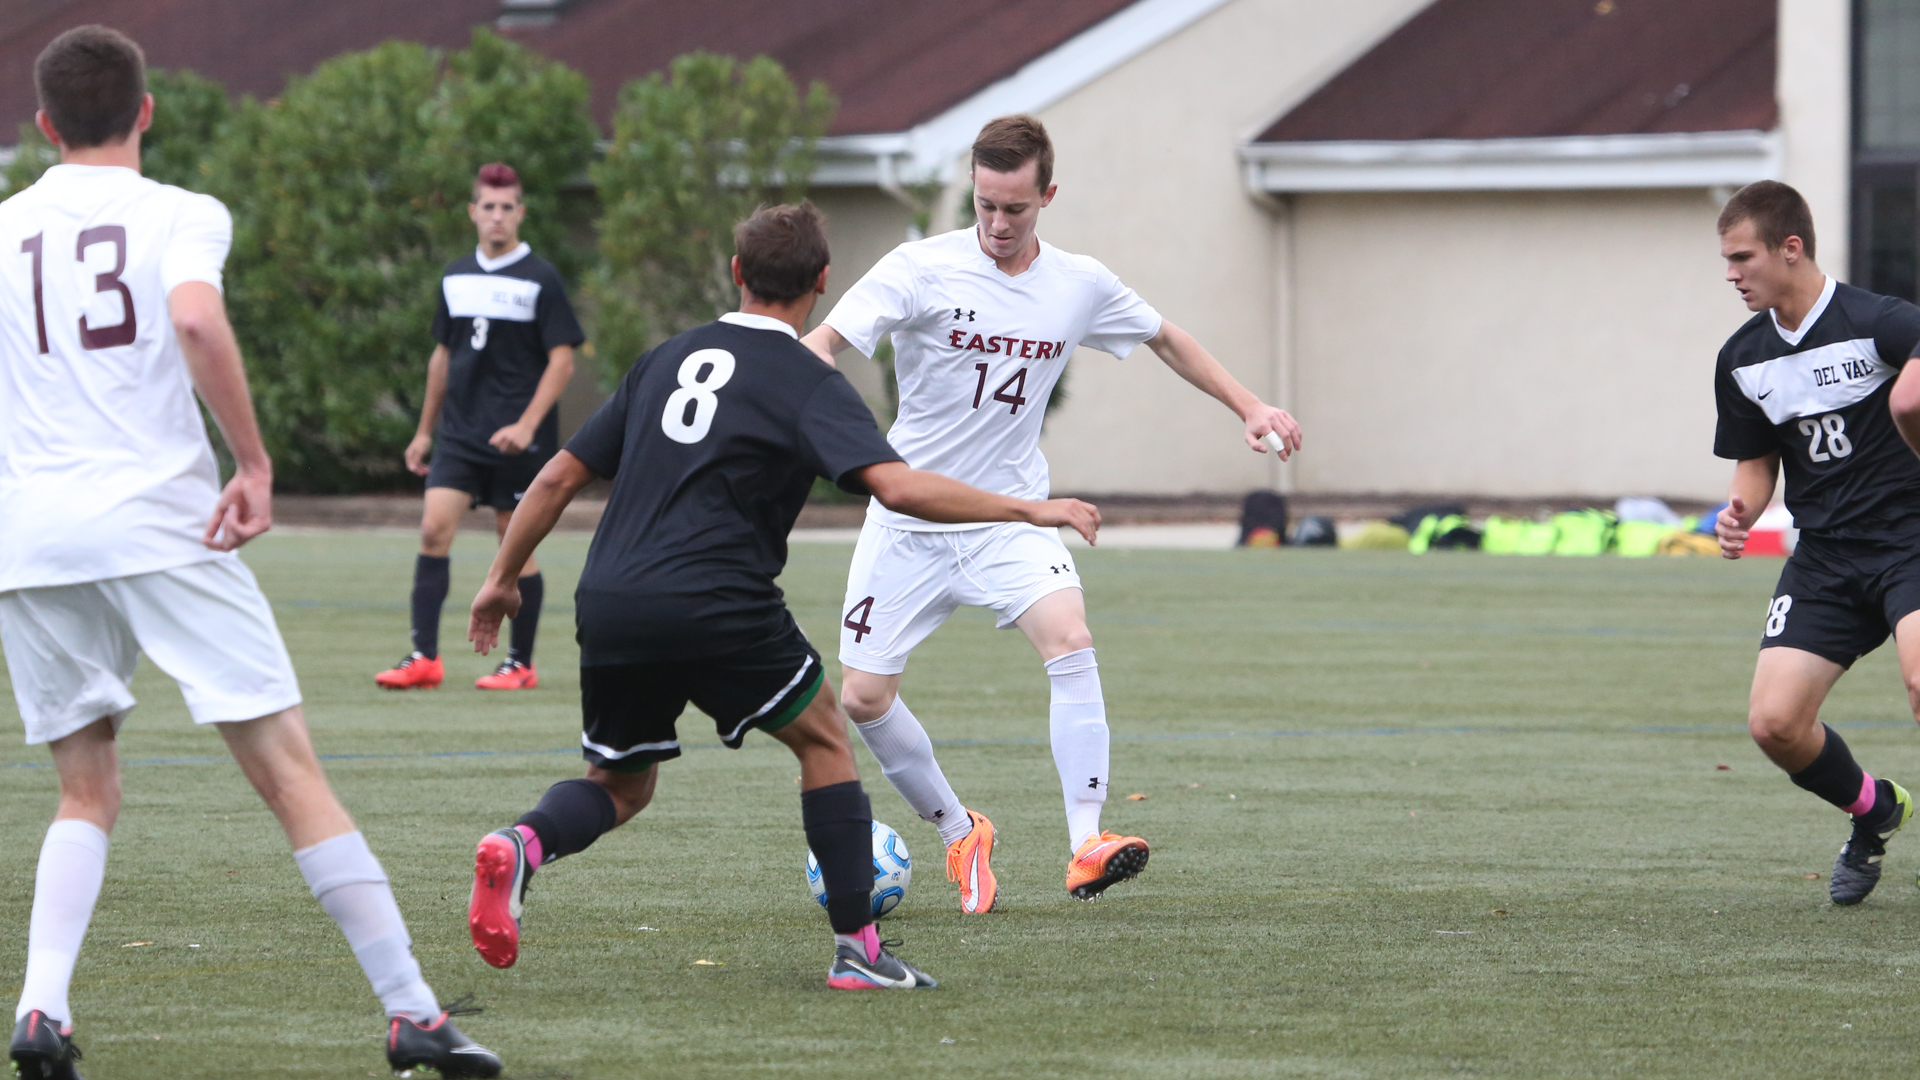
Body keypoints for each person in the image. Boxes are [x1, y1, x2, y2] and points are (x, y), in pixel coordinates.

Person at [0, 26, 499, 1078]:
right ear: (146, 112)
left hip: (34, 539)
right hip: (158, 520)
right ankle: (410, 1009)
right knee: (287, 770)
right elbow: (194, 322)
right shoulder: (180, 212)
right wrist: (256, 461)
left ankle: (41, 1011)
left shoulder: (4, 228)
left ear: (43, 126)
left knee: (84, 788)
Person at [463, 202, 1100, 989]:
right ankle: (859, 954)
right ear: (822, 283)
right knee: (827, 741)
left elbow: (558, 475)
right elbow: (897, 488)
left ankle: (522, 845)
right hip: (720, 603)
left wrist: (499, 580)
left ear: (737, 273)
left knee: (619, 785)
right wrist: (1030, 507)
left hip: (613, 597)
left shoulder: (665, 359)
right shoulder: (807, 378)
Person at [798, 114, 1302, 911]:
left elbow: (1167, 338)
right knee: (861, 697)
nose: (997, 225)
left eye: (1016, 209)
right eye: (985, 205)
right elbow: (824, 343)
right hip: (911, 519)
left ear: (1048, 196)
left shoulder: (1079, 283)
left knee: (1070, 636)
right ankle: (961, 830)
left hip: (1014, 517)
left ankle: (1085, 842)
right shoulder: (919, 268)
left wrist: (1249, 404)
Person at [1713, 179, 1920, 906]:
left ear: (1791, 248)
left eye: (1743, 257)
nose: (1732, 273)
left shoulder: (1881, 321)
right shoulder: (1742, 358)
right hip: (1827, 558)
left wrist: (1910, 398)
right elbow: (1756, 464)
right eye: (1727, 260)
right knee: (1773, 725)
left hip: (1911, 541)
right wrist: (1740, 510)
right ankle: (1874, 812)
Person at [374, 162, 583, 692]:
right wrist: (424, 430)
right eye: (487, 207)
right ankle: (424, 656)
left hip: (519, 439)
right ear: (473, 212)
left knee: (514, 547)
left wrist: (527, 424)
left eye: (506, 207)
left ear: (520, 213)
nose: (496, 216)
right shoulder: (455, 276)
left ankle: (520, 663)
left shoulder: (541, 278)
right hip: (460, 435)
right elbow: (441, 358)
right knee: (432, 529)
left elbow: (562, 362)